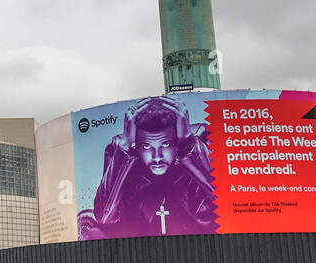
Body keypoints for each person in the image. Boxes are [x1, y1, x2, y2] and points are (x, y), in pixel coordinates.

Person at [78, 96, 218, 240]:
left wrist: (187, 142)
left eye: (166, 145)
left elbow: (224, 201)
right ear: (137, 145)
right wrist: (125, 145)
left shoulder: (199, 141)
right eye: (146, 146)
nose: (157, 157)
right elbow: (104, 217)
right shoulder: (122, 150)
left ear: (176, 139)